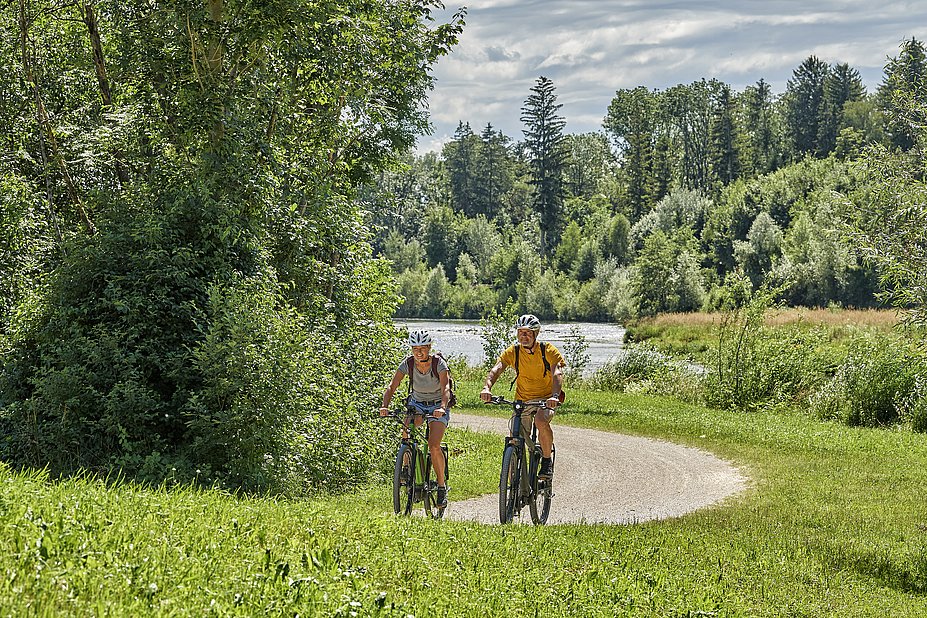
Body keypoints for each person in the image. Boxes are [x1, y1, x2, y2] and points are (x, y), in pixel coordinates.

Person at [479, 314, 564, 479]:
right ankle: (512, 482)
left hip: (545, 400)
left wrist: (554, 396)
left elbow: (557, 373)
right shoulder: (514, 351)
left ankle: (546, 462)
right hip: (522, 400)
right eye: (520, 332)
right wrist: (487, 387)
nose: (523, 336)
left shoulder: (548, 350)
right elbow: (497, 369)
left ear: (535, 334)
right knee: (514, 437)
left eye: (528, 333)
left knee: (540, 421)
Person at [380, 329, 450, 508]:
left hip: (436, 406)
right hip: (417, 404)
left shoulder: (438, 364)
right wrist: (385, 406)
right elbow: (392, 386)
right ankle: (406, 467)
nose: (419, 352)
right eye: (415, 348)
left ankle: (441, 487)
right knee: (407, 428)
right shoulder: (408, 364)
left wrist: (442, 407)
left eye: (422, 348)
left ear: (429, 347)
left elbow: (446, 389)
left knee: (434, 445)